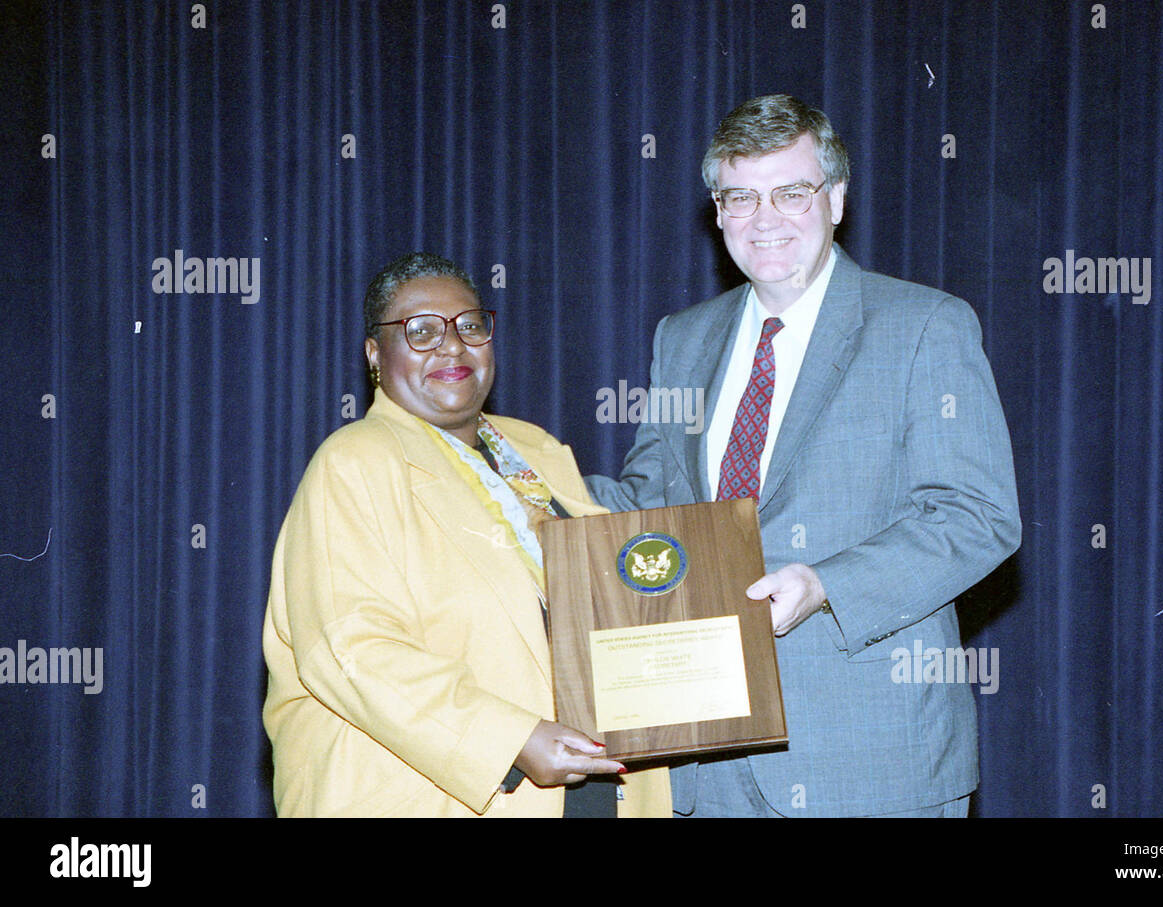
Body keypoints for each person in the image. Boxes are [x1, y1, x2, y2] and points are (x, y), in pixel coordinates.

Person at [585, 95, 1020, 817]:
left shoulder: (924, 326)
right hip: (706, 760)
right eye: (740, 196)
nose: (765, 218)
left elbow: (978, 517)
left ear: (837, 199)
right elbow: (647, 500)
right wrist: (522, 484)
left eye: (791, 192)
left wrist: (825, 584)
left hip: (871, 762)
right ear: (717, 211)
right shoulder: (682, 339)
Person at [263, 252, 670, 817]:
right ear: (375, 355)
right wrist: (510, 739)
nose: (452, 346)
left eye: (470, 326)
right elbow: (350, 649)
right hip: (445, 792)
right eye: (421, 331)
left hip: (591, 782)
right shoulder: (354, 462)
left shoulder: (537, 451)